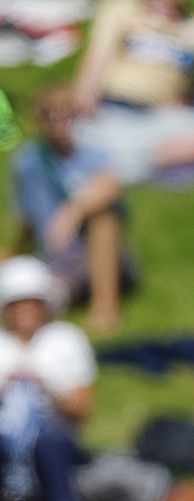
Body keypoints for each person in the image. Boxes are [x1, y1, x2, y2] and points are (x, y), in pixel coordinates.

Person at [10, 84, 134, 334]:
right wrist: (12, 255)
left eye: (64, 113)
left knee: (104, 218)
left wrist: (72, 211)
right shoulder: (28, 161)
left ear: (74, 115)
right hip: (54, 256)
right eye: (49, 114)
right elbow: (28, 223)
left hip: (98, 254)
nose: (57, 122)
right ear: (38, 119)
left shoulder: (92, 154)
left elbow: (110, 185)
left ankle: (105, 307)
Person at [71, 0, 194, 185]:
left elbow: (192, 79)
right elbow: (98, 57)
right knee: (89, 135)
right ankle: (123, 164)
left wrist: (180, 103)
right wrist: (84, 96)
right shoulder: (122, 10)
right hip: (114, 106)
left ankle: (129, 165)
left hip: (158, 115)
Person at [0, 256, 94, 501]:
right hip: (6, 448)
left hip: (54, 444)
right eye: (18, 303)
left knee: (49, 444)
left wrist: (47, 388)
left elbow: (83, 409)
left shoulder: (65, 340)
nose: (26, 310)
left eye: (33, 302)